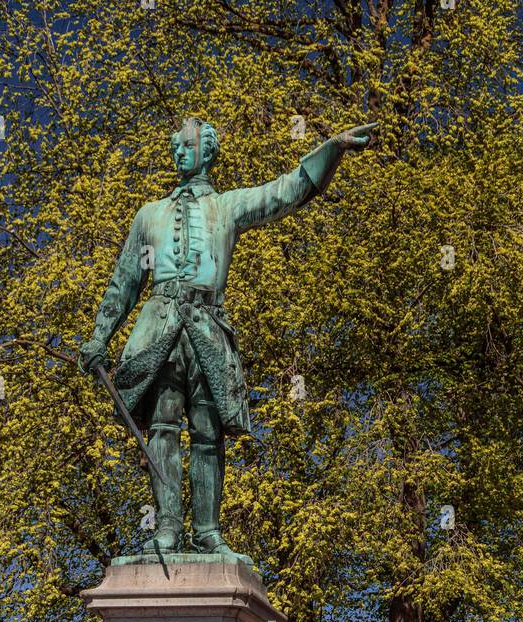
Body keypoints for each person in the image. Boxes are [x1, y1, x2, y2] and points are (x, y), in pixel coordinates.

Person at [79, 116, 377, 561]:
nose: (178, 152)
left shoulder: (229, 206)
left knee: (206, 430)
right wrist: (100, 335)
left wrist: (329, 149)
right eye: (175, 146)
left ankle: (207, 533)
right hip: (158, 326)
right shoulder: (149, 215)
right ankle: (165, 530)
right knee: (162, 425)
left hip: (207, 326)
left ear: (208, 152)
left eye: (186, 145)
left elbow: (285, 192)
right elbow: (125, 281)